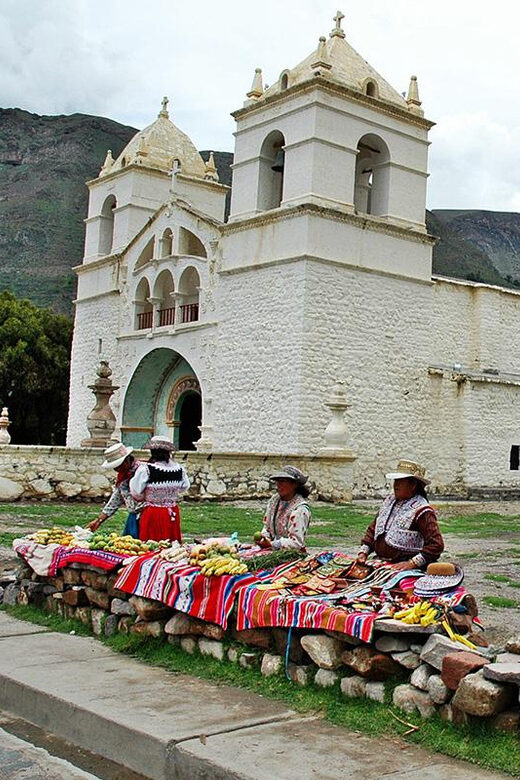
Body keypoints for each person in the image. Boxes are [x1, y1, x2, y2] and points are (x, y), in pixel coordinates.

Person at [357, 459, 444, 571]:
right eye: (395, 481)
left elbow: (436, 545)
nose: (396, 485)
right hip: (382, 563)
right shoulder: (389, 502)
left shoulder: (422, 510)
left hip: (405, 567)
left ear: (413, 485)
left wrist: (411, 564)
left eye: (400, 481)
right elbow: (374, 529)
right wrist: (363, 552)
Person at [129, 435, 190, 542]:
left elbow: (136, 491)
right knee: (171, 546)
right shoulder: (179, 469)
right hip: (172, 512)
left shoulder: (146, 469)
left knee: (152, 544)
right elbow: (185, 486)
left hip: (153, 513)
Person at [88, 442, 143, 537]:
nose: (117, 470)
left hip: (146, 515)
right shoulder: (123, 476)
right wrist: (99, 520)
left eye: (118, 466)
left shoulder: (143, 471)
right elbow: (116, 499)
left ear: (127, 460)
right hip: (133, 516)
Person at [257, 465, 311, 550]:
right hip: (272, 551)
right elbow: (267, 526)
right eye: (277, 482)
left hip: (291, 555)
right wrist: (264, 537)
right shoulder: (274, 501)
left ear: (294, 484)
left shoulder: (300, 509)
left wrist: (272, 544)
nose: (278, 485)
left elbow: (296, 543)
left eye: (282, 481)